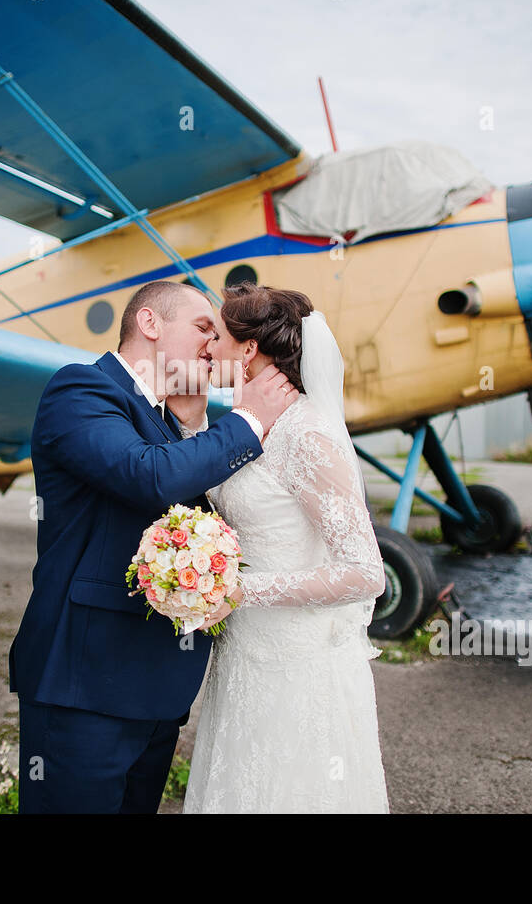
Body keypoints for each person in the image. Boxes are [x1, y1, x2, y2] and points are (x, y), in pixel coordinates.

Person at [9, 279, 298, 814]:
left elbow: (189, 516)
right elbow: (147, 477)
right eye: (202, 327)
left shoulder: (172, 424)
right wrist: (250, 420)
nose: (213, 345)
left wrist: (192, 427)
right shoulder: (80, 391)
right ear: (149, 324)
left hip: (156, 689)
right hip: (85, 683)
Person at [168, 281, 390, 813]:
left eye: (215, 335)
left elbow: (365, 573)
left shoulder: (306, 434)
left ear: (248, 349)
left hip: (296, 661)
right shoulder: (252, 426)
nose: (207, 347)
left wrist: (238, 589)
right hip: (246, 654)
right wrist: (193, 419)